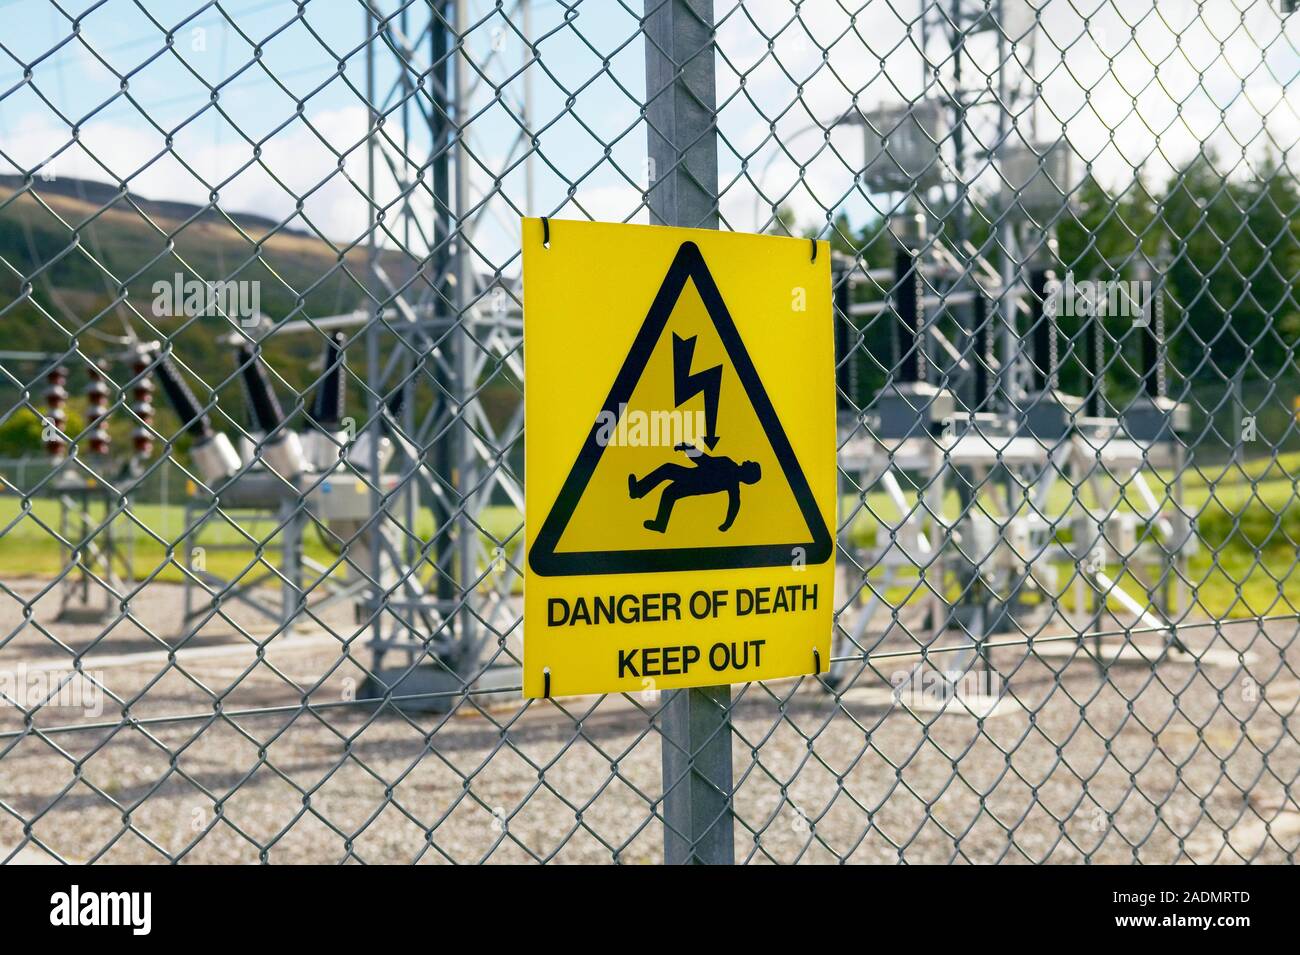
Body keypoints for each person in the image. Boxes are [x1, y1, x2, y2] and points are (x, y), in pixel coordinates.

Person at [628, 443, 761, 533]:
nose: (748, 461)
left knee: (667, 472)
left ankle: (639, 491)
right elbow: (735, 503)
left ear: (747, 473)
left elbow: (705, 460)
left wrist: (688, 447)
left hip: (691, 479)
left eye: (751, 465)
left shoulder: (728, 466)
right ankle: (660, 523)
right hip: (694, 483)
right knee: (669, 492)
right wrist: (727, 524)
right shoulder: (733, 483)